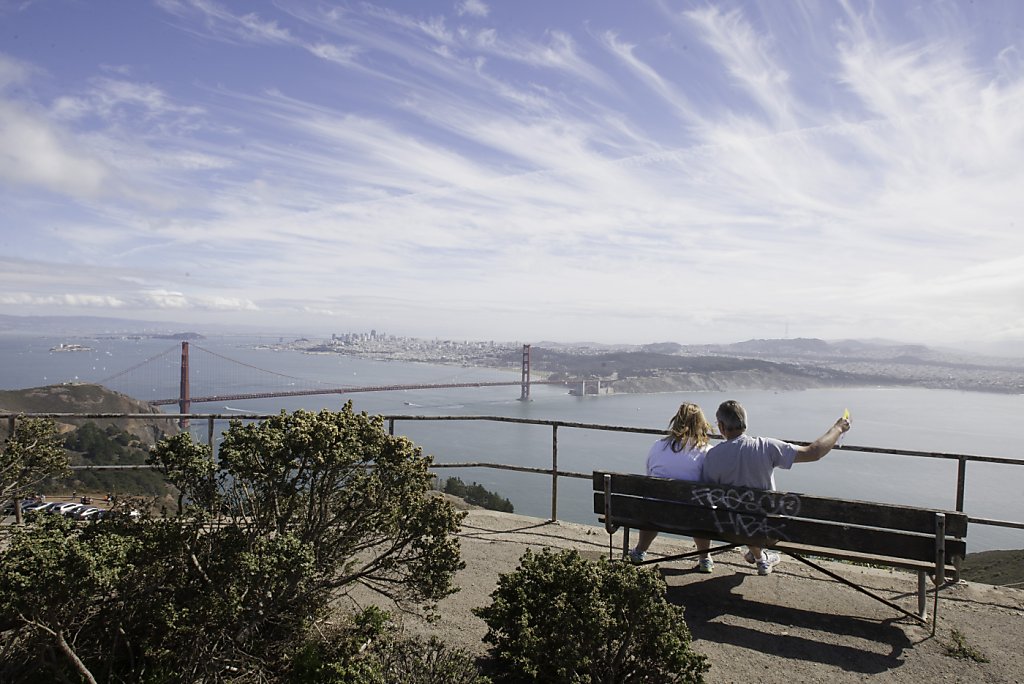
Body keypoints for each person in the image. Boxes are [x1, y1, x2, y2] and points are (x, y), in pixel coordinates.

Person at [702, 399, 851, 576]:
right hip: (768, 530)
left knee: (742, 514)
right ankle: (760, 556)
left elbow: (707, 496)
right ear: (745, 424)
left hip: (728, 529)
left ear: (721, 426)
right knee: (755, 516)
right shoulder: (766, 447)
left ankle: (759, 556)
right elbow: (814, 452)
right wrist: (838, 428)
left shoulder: (713, 455)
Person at [628, 402, 715, 572]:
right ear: (701, 424)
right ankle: (704, 558)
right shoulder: (707, 451)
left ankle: (639, 551)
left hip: (656, 513)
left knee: (653, 501)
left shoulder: (658, 446)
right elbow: (710, 486)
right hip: (692, 517)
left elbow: (649, 474)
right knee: (702, 508)